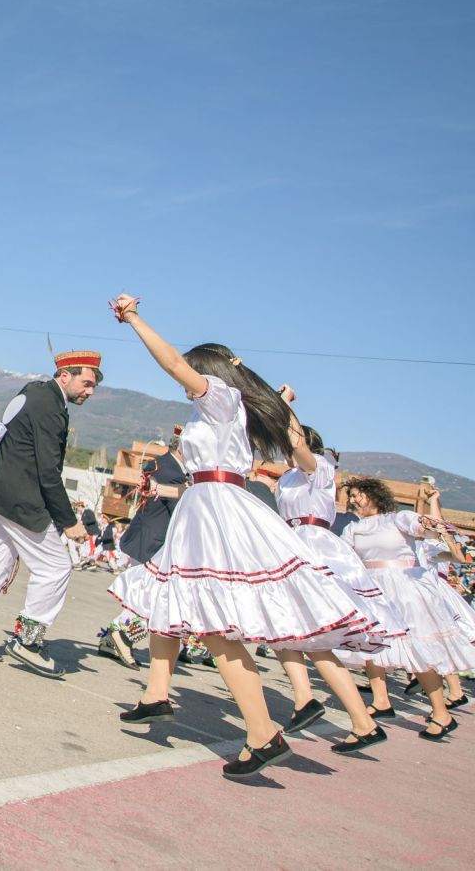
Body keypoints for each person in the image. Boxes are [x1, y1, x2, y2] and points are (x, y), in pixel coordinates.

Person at [105, 294, 392, 778]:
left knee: (214, 624)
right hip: (205, 506)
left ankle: (261, 733)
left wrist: (133, 318)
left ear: (210, 372)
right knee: (172, 599)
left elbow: (173, 363)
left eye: (195, 372)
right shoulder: (220, 408)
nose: (185, 382)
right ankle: (157, 692)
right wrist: (284, 403)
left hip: (216, 509)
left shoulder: (219, 396)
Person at [0, 350, 98, 677]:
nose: (90, 391)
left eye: (93, 386)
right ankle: (28, 642)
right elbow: (48, 471)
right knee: (55, 567)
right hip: (22, 498)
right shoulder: (50, 407)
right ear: (65, 376)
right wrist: (68, 521)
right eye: (87, 383)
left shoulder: (34, 392)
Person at [265, 390, 396, 751]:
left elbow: (297, 444)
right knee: (283, 631)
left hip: (314, 548)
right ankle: (317, 704)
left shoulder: (320, 467)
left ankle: (339, 712)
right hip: (290, 546)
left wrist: (284, 407)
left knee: (305, 636)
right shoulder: (286, 478)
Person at [339, 477, 475, 741]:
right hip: (373, 589)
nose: (353, 500)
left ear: (373, 495)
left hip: (405, 587)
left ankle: (441, 713)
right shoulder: (353, 528)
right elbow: (343, 557)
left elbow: (425, 527)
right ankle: (381, 700)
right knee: (372, 644)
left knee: (419, 651)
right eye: (351, 496)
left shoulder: (398, 518)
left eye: (357, 495)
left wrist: (431, 516)